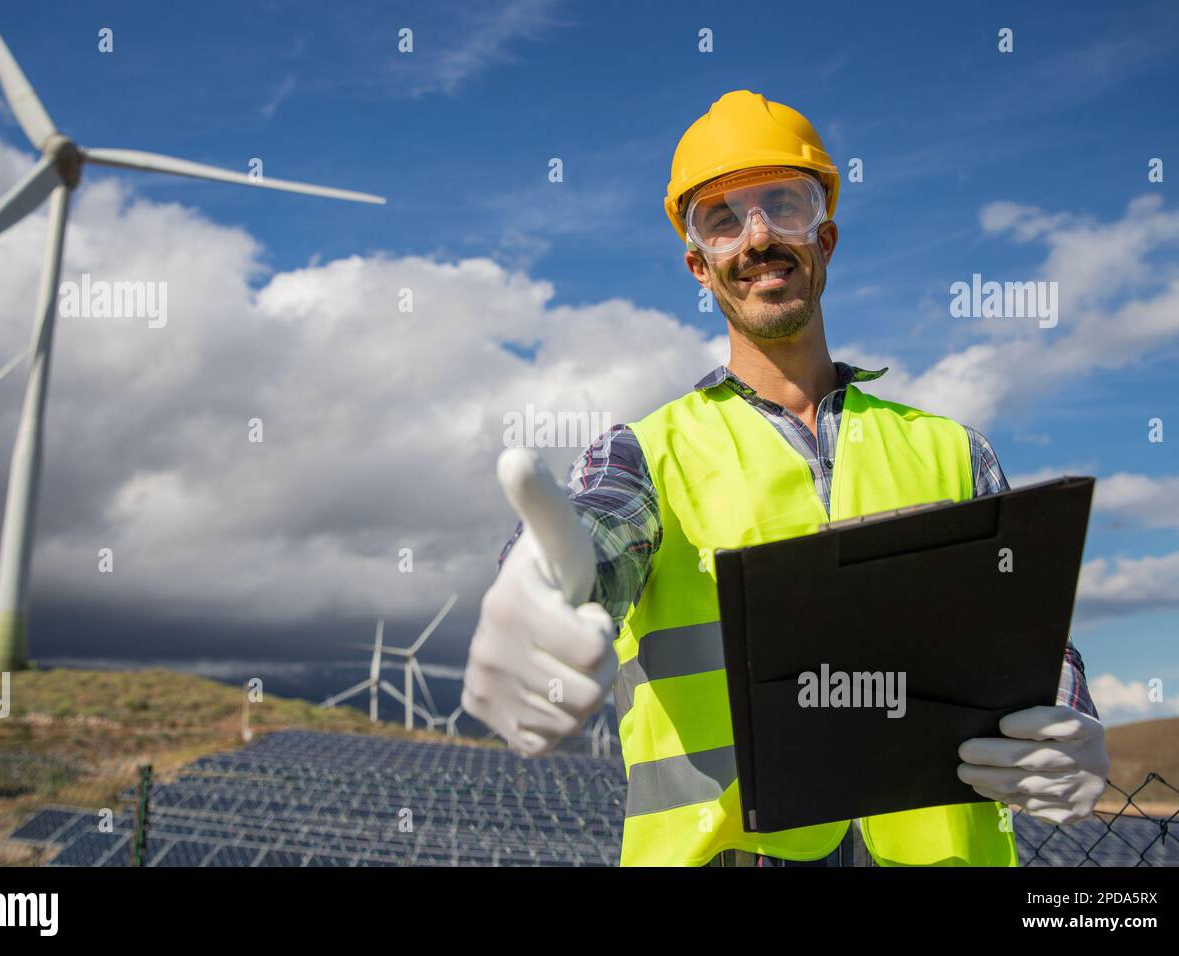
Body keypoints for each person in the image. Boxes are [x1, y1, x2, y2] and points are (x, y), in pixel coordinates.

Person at [461, 90, 1110, 867]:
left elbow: (1030, 638)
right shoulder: (645, 455)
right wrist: (537, 582)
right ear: (699, 264)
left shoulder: (955, 450)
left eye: (784, 205)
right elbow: (593, 532)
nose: (758, 236)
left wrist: (1071, 722)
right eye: (723, 218)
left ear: (825, 239)